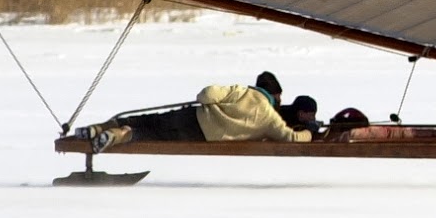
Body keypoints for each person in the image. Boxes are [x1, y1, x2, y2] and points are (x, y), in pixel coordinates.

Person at [79, 70, 312, 151]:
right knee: (152, 136)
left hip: (193, 117)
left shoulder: (242, 92)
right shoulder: (270, 118)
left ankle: (100, 129)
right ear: (275, 96)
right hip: (201, 136)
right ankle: (123, 135)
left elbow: (207, 94)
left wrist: (207, 103)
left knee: (146, 120)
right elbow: (292, 137)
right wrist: (310, 133)